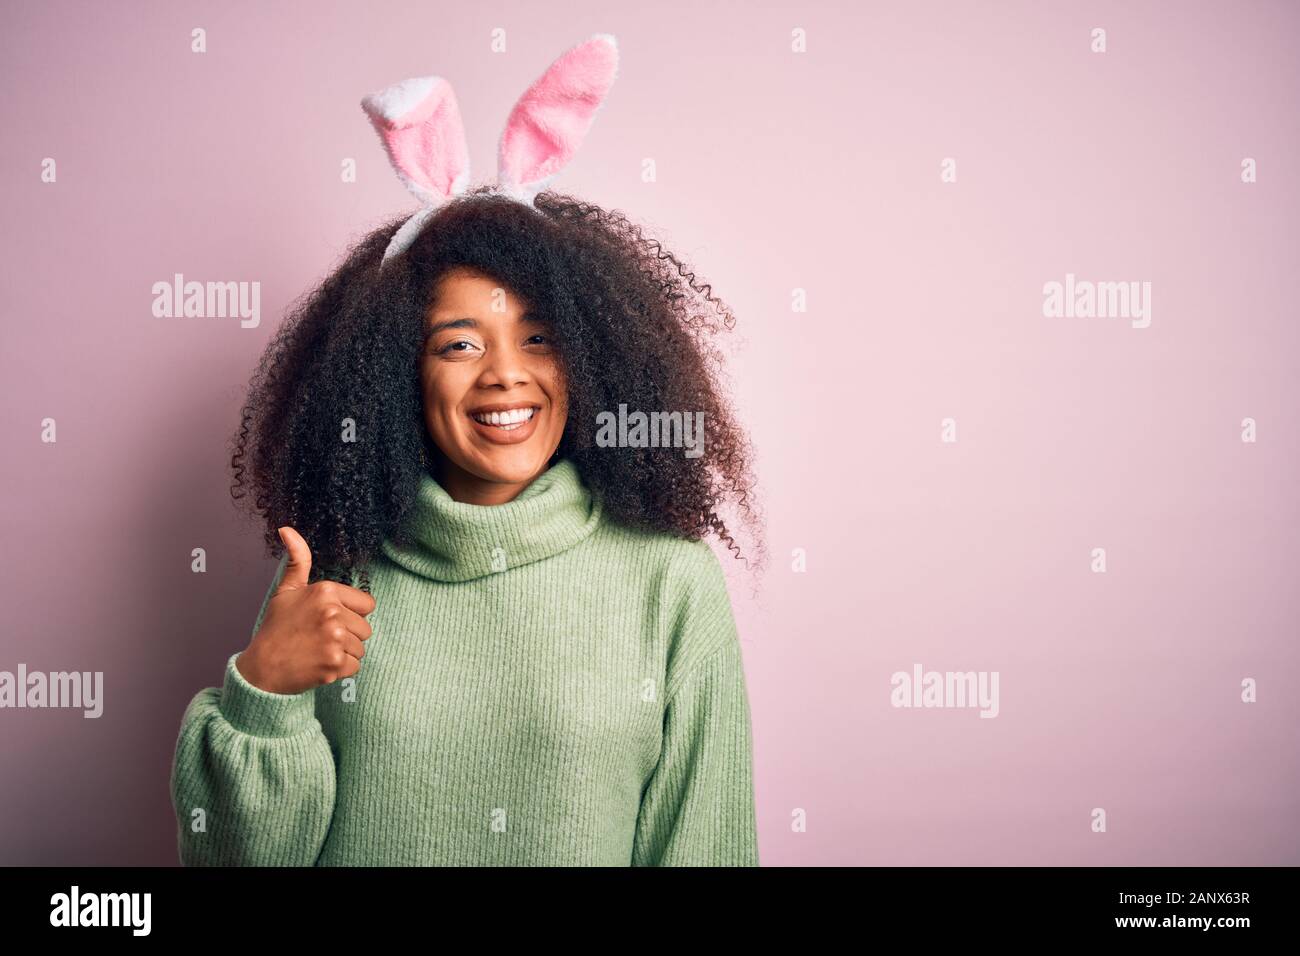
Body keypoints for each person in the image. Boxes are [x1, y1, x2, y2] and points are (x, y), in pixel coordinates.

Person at [168, 34, 764, 866]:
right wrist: (264, 690)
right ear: (392, 372)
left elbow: (705, 848)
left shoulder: (669, 583)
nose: (506, 377)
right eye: (459, 345)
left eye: (540, 339)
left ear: (592, 360)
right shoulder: (334, 569)